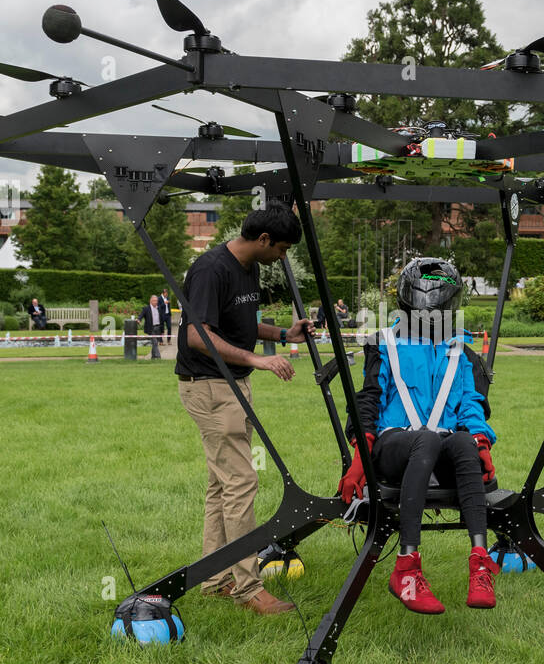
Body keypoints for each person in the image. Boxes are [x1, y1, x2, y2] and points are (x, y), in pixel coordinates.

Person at [337, 257, 500, 614]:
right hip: (392, 447)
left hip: (439, 446)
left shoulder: (460, 352)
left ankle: (480, 561)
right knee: (426, 440)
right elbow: (367, 400)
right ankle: (406, 568)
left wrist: (480, 443)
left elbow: (471, 402)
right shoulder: (384, 344)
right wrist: (361, 453)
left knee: (460, 442)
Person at [176, 200, 314, 615]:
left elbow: (238, 322)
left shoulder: (247, 267)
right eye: (283, 249)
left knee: (222, 486)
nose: (282, 257)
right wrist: (258, 360)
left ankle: (214, 578)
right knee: (241, 483)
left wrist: (283, 334)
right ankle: (248, 589)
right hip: (210, 387)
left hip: (232, 385)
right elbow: (198, 335)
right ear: (264, 239)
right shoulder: (210, 268)